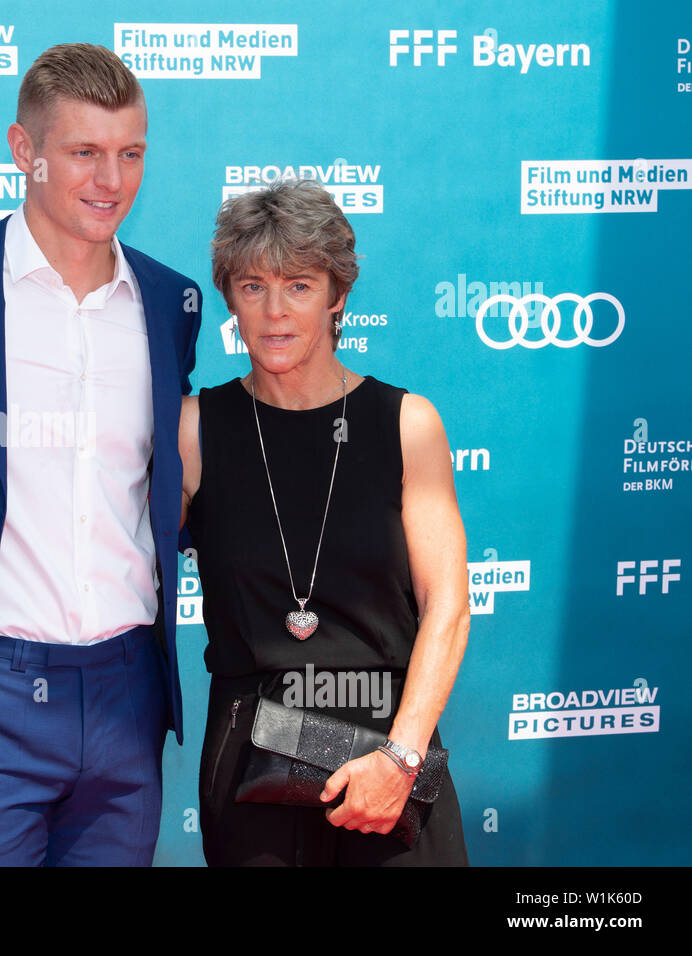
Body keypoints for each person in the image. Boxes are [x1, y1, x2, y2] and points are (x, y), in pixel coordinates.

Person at [0, 43, 202, 866]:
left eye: (131, 153)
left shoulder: (170, 301)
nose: (111, 179)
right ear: (23, 150)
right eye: (84, 152)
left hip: (128, 694)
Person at [180, 179, 469, 865]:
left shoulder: (406, 424)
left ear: (338, 295)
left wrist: (401, 758)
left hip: (391, 756)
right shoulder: (195, 429)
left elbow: (448, 606)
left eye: (300, 286)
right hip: (252, 766)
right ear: (229, 298)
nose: (275, 312)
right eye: (253, 287)